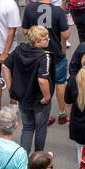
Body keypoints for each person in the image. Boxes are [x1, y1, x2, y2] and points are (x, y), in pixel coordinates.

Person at [22, 0, 71, 124]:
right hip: (56, 53)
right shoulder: (58, 11)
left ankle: (43, 112)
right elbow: (65, 35)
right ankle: (62, 113)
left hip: (36, 54)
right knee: (60, 82)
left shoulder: (30, 8)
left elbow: (24, 31)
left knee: (40, 82)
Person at [9, 23, 53, 153]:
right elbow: (42, 79)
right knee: (40, 128)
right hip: (39, 100)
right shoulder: (44, 56)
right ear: (38, 41)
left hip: (23, 97)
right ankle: (38, 159)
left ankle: (23, 160)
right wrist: (47, 97)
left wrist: (11, 86)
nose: (49, 39)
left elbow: (5, 66)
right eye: (46, 38)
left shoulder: (19, 49)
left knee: (27, 128)